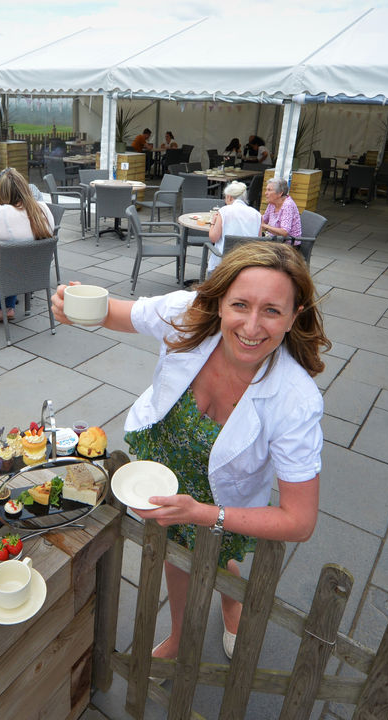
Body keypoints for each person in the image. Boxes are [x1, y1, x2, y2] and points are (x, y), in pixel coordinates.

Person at [50, 242, 327, 660]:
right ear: (218, 303)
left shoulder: (296, 401)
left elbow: (299, 520)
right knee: (177, 554)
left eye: (272, 310)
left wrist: (201, 513)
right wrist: (71, 306)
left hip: (221, 499)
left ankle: (231, 602)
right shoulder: (187, 312)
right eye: (240, 305)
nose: (252, 327)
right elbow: (114, 313)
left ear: (294, 316)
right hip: (164, 463)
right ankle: (181, 637)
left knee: (218, 552)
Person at [0, 169, 55, 322]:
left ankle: (4, 306)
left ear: (2, 192)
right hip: (34, 273)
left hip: (4, 274)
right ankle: (7, 305)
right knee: (8, 258)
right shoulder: (43, 208)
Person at [206, 181, 262, 275]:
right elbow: (258, 240)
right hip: (247, 264)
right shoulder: (257, 214)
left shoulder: (224, 211)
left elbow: (213, 238)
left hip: (223, 263)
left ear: (229, 197)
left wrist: (212, 223)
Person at [260, 176, 301, 244]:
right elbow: (264, 220)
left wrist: (265, 226)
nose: (265, 193)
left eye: (269, 190)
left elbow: (284, 232)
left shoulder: (287, 205)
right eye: (266, 189)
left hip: (287, 245)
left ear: (280, 193)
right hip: (273, 240)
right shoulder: (272, 203)